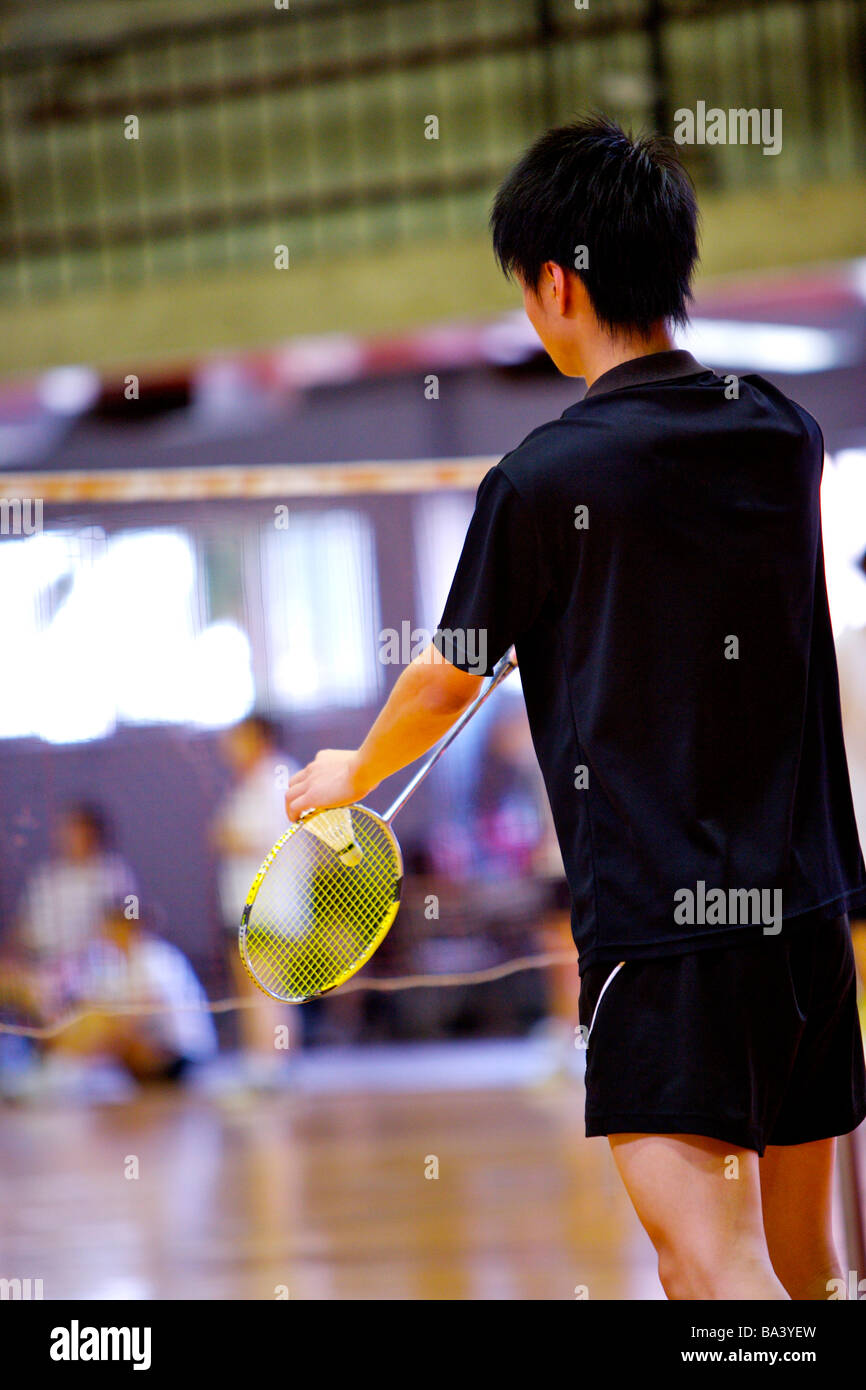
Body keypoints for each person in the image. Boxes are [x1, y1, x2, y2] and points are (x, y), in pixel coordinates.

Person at [284, 116, 866, 1301]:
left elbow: (447, 670)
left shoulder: (542, 480)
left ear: (556, 282)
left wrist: (349, 770)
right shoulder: (781, 435)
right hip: (808, 922)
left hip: (665, 938)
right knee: (814, 1271)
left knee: (713, 1266)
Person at [213, 714, 299, 1084]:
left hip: (271, 908)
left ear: (258, 738)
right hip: (249, 908)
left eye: (238, 738)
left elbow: (260, 839)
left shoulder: (275, 777)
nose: (229, 746)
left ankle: (270, 1067)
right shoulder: (250, 782)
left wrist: (227, 836)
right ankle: (262, 1067)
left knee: (267, 987)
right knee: (253, 988)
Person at [52, 899, 217, 1084]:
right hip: (156, 1047)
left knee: (104, 1025)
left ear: (124, 928)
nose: (104, 934)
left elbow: (141, 1016)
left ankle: (60, 1072)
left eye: (109, 927)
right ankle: (61, 1069)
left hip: (183, 1055)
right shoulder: (119, 963)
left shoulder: (155, 957)